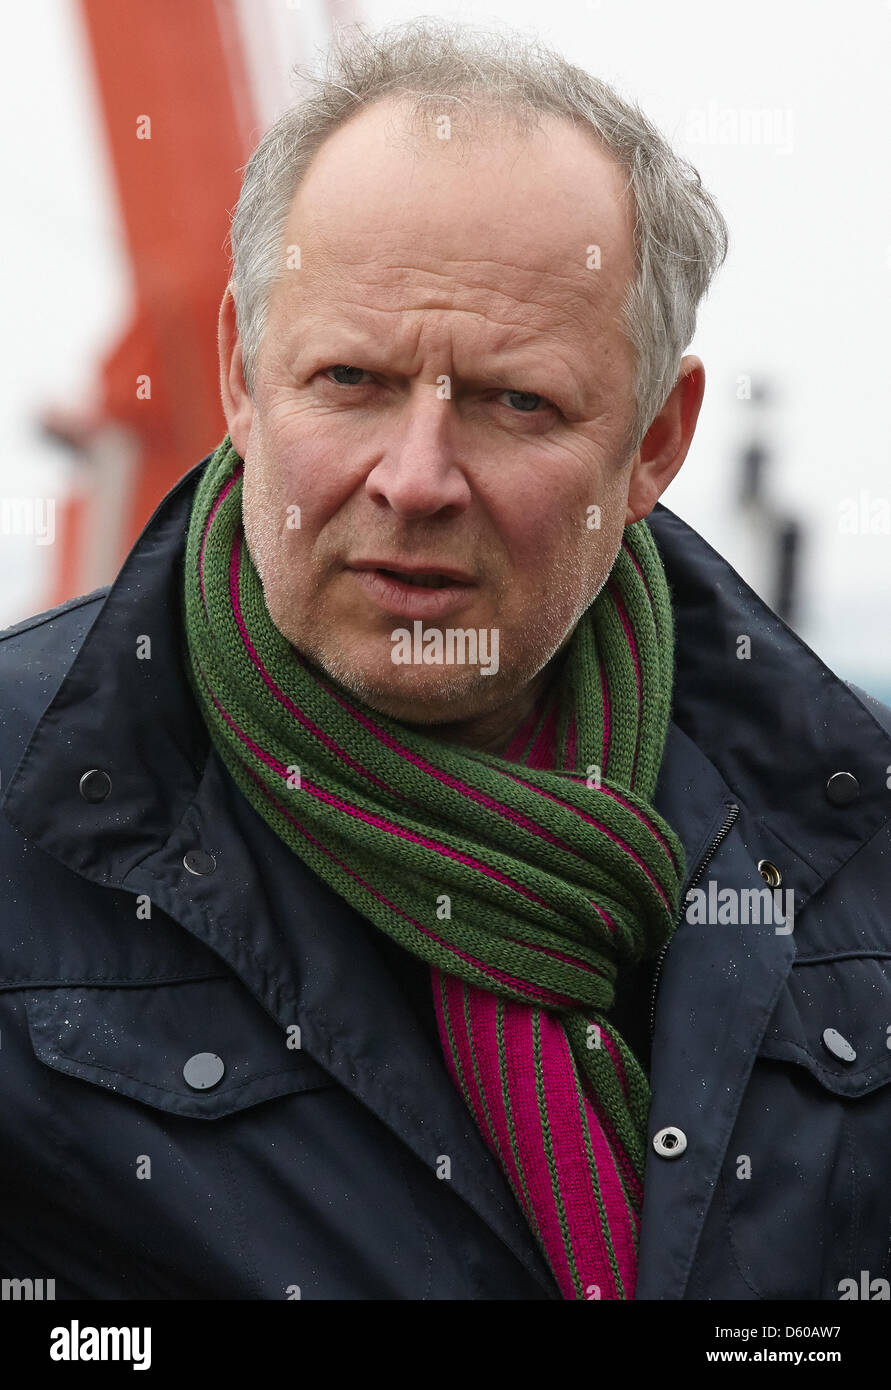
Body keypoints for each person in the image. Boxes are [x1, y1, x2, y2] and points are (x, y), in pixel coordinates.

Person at [2, 18, 889, 1303]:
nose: (414, 480)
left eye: (514, 401)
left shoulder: (849, 838)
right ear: (240, 377)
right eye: (351, 378)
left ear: (656, 439)